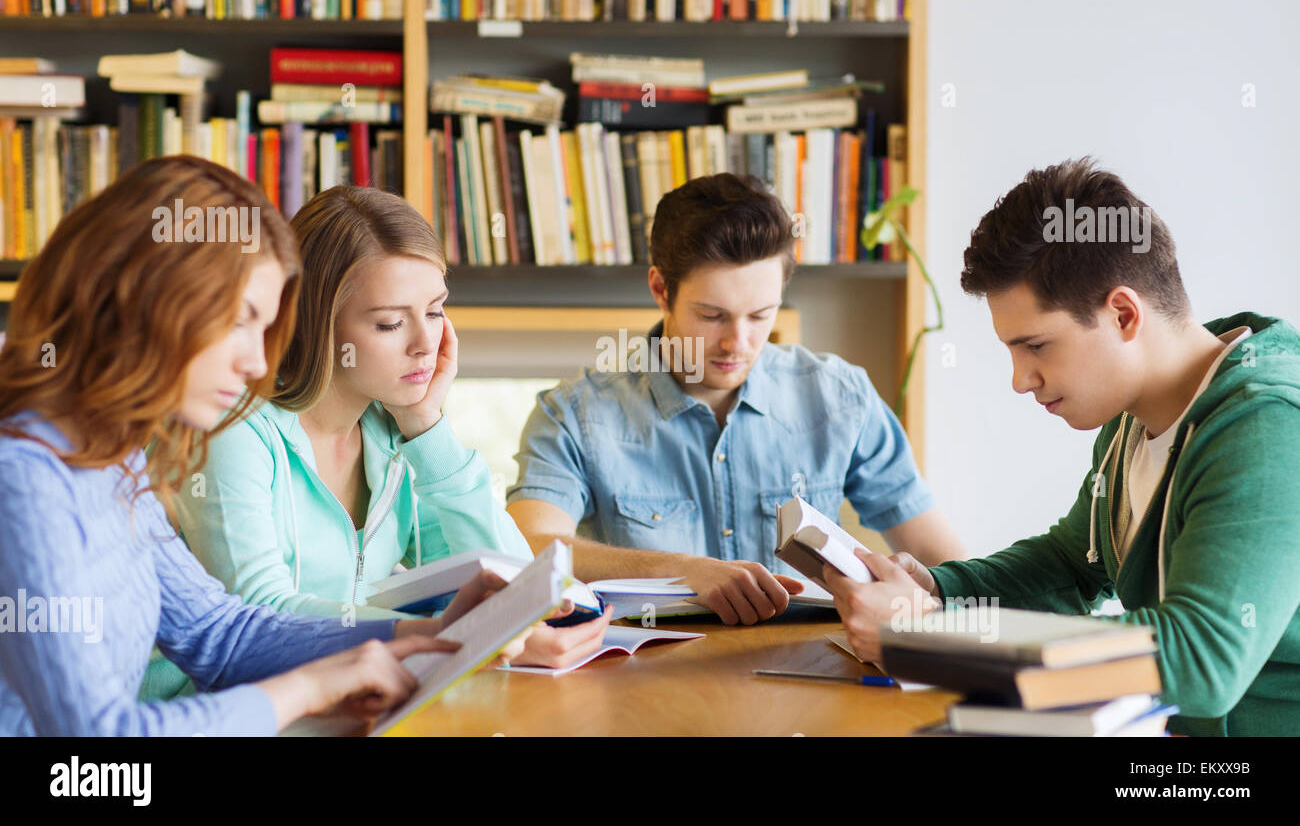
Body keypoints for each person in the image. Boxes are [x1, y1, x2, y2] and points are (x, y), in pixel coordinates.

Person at [0, 156, 523, 736]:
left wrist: (424, 634)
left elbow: (218, 632)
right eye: (239, 323)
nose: (256, 361)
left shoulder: (108, 458)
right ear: (147, 300)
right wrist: (307, 688)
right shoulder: (23, 479)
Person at [825, 157, 1300, 736]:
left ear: (1123, 314)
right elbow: (1073, 566)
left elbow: (1203, 659)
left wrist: (935, 635)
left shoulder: (1266, 425)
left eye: (1037, 347)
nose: (1020, 379)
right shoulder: (1130, 419)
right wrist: (936, 589)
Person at [147, 185, 608, 702]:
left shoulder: (393, 432)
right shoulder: (234, 429)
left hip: (340, 710)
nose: (424, 344)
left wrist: (427, 427)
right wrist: (456, 638)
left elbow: (513, 582)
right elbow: (260, 616)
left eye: (435, 312)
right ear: (318, 324)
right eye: (390, 322)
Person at [506, 172, 965, 626]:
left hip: (812, 677)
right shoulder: (574, 414)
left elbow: (942, 559)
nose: (737, 343)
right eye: (712, 316)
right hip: (642, 683)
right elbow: (528, 543)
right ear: (661, 289)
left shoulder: (840, 397)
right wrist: (681, 571)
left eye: (761, 315)